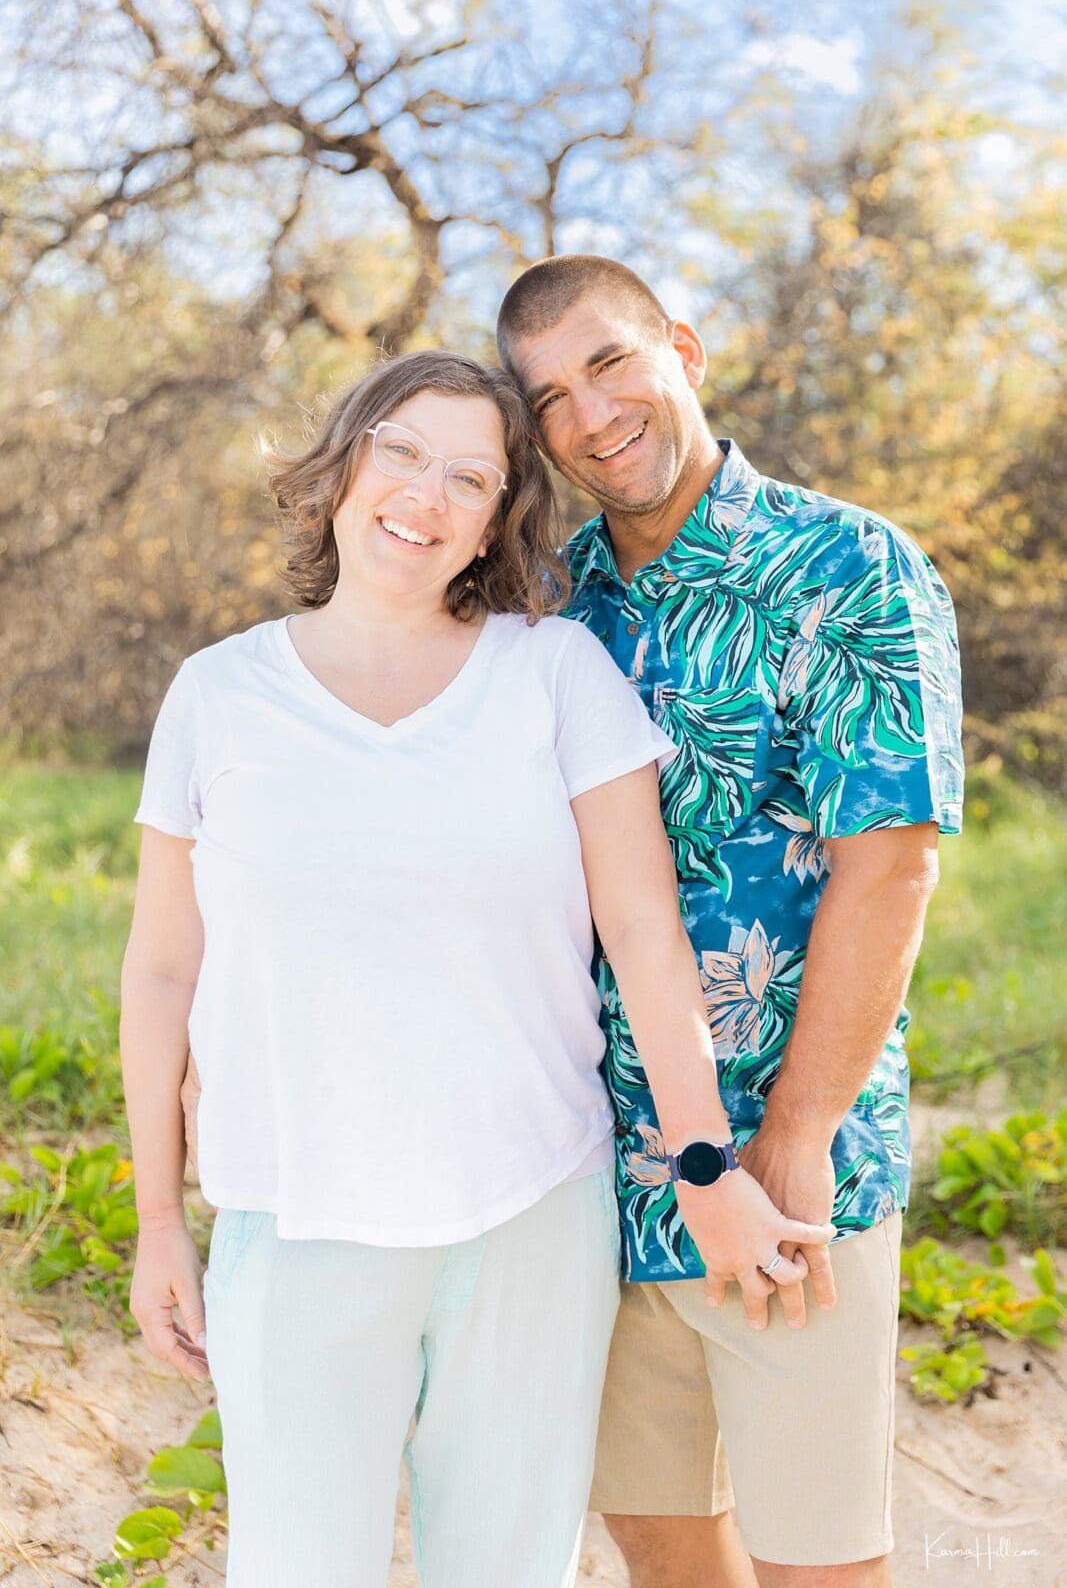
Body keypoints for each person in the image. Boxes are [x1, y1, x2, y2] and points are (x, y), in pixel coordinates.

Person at [121, 350, 833, 1588]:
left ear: (499, 515)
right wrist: (156, 1226)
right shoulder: (218, 694)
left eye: (469, 476)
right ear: (342, 465)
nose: (424, 494)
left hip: (529, 1217)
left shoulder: (553, 673)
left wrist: (703, 1160)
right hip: (294, 1217)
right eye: (399, 451)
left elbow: (644, 936)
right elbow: (161, 973)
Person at [496, 258, 965, 1588]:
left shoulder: (845, 567)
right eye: (549, 397)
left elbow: (891, 867)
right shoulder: (548, 605)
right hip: (595, 1168)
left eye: (609, 364)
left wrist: (799, 1131)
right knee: (657, 1540)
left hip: (782, 1166)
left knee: (818, 1555)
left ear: (684, 351)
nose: (591, 414)